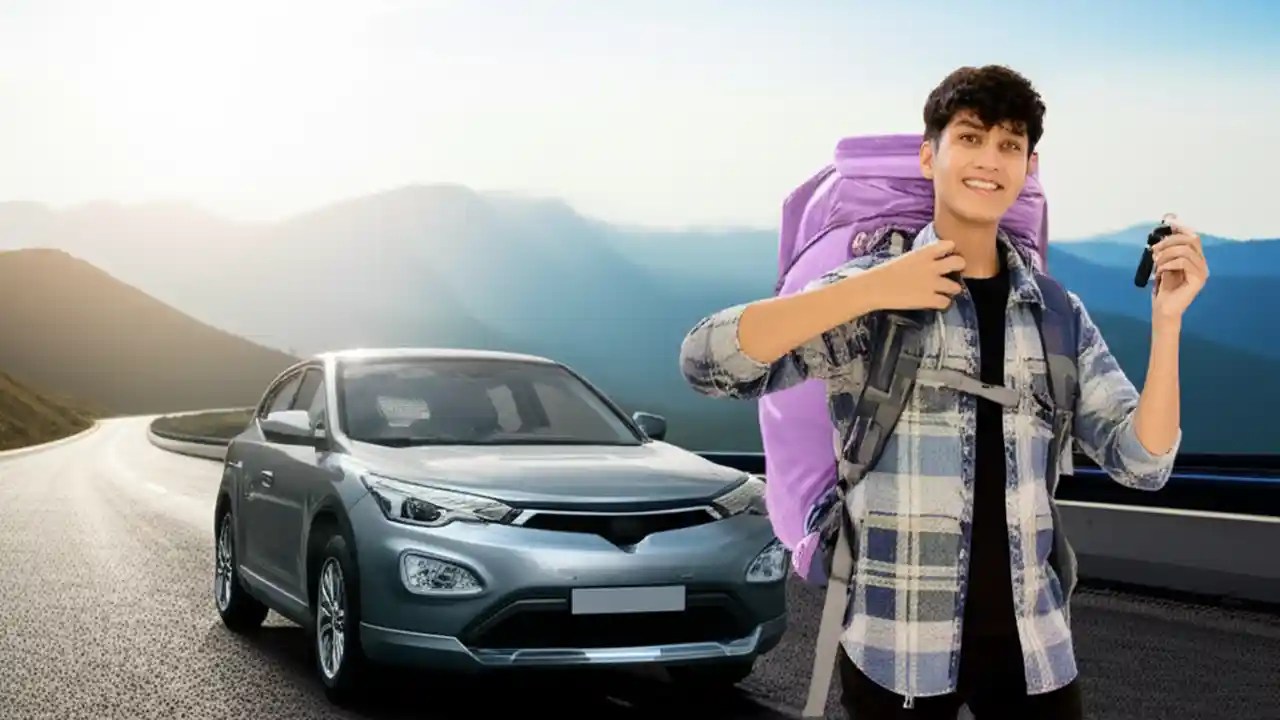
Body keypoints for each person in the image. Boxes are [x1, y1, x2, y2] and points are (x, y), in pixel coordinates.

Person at [678, 65, 1209, 719]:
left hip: (1035, 649)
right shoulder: (870, 294)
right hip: (894, 647)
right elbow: (707, 363)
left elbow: (1144, 462)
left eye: (1009, 144)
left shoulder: (1055, 313)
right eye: (971, 138)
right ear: (930, 156)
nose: (990, 159)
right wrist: (871, 288)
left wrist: (1167, 323)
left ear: (1027, 167)